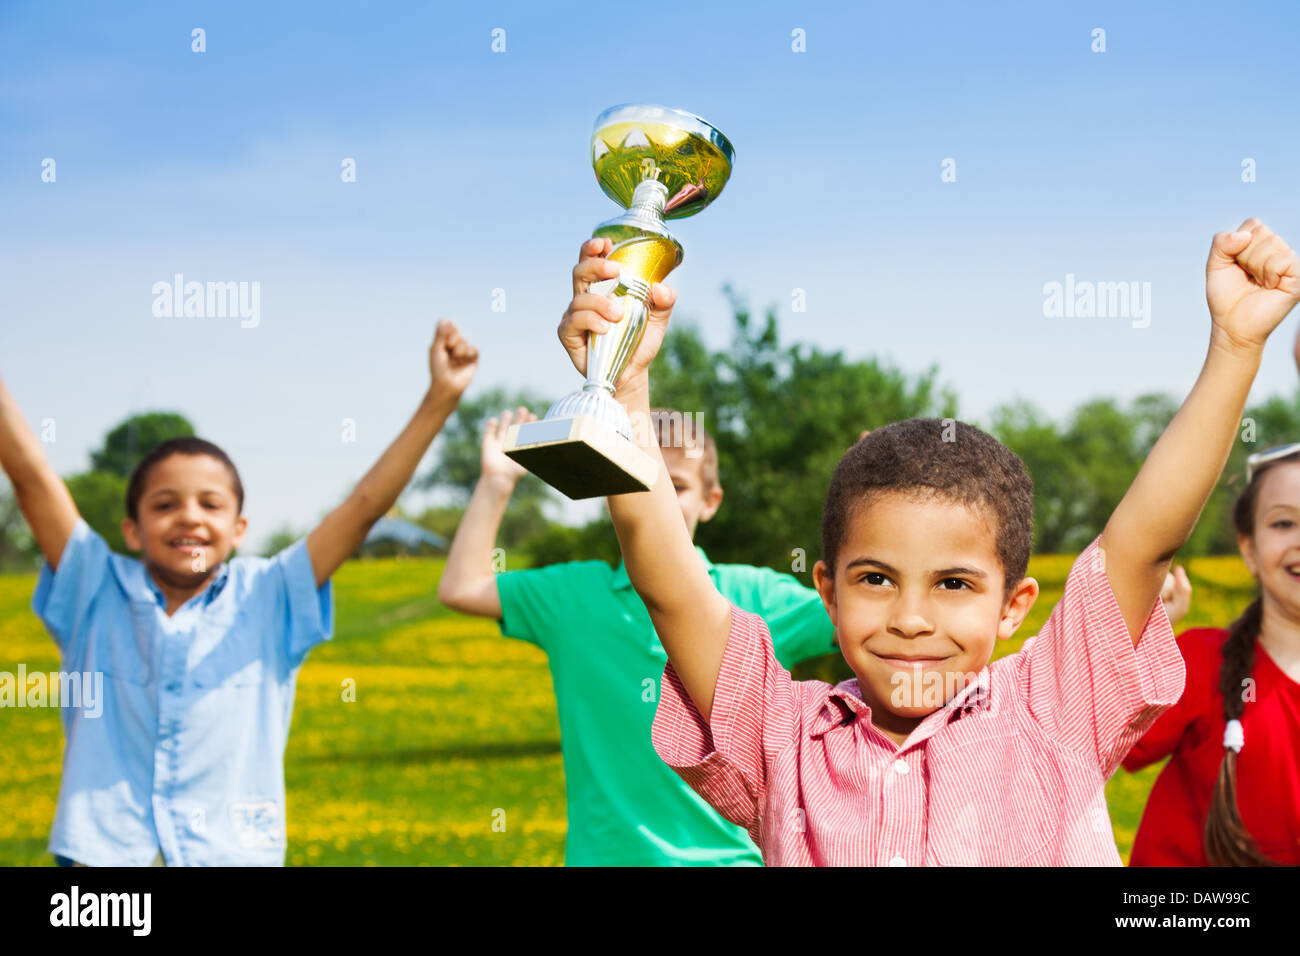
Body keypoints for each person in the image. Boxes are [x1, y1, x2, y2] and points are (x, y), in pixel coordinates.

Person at [554, 219, 1300, 865]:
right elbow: (669, 583)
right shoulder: (779, 739)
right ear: (827, 591)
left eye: (954, 584)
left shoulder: (1054, 708)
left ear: (1014, 605)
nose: (912, 617)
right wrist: (622, 384)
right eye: (876, 579)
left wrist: (1234, 347)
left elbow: (1143, 541)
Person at [0, 320, 479, 865]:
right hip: (103, 858)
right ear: (131, 530)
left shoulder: (271, 594)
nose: (189, 517)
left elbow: (365, 505)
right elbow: (30, 473)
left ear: (239, 530)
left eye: (210, 504)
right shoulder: (93, 586)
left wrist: (439, 399)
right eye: (164, 504)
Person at [437, 340, 838, 865]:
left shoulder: (753, 594)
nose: (661, 501)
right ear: (611, 488)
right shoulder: (571, 596)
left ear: (711, 501)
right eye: (643, 480)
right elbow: (462, 586)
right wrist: (495, 482)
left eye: (677, 487)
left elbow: (854, 615)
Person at [1122, 442, 1300, 865]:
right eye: (1283, 523)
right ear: (1249, 550)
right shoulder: (1200, 663)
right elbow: (1116, 745)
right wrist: (1145, 639)